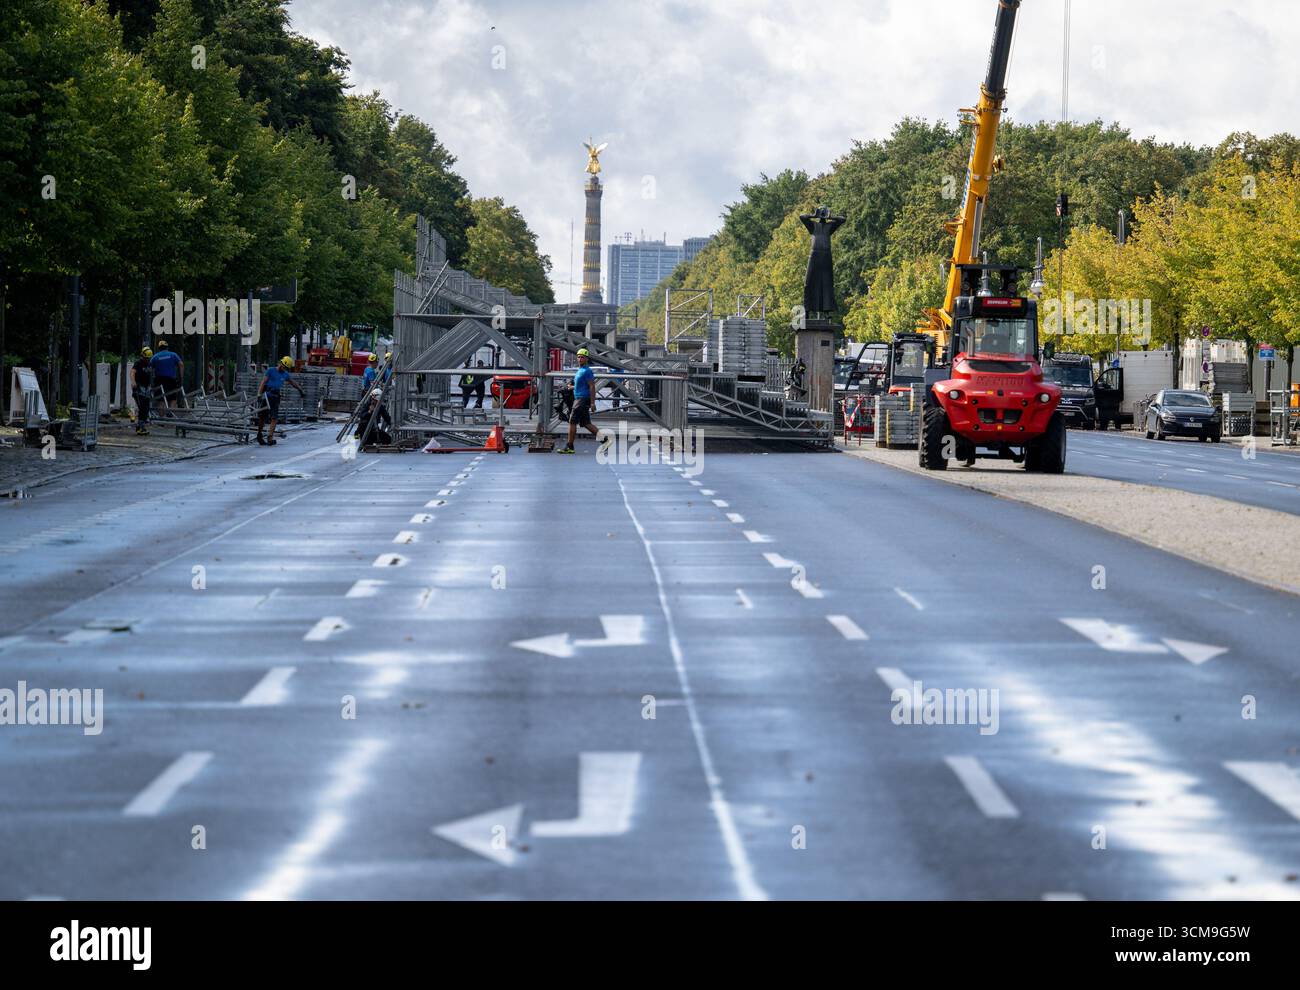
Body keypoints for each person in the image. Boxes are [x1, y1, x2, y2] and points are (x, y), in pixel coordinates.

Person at [556, 348, 599, 454]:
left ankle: (569, 446)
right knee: (586, 423)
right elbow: (580, 385)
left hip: (582, 399)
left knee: (572, 421)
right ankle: (606, 440)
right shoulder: (580, 370)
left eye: (582, 357)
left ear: (587, 359)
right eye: (579, 357)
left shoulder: (587, 371)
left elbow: (592, 386)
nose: (580, 359)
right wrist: (571, 387)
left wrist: (592, 403)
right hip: (579, 398)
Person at [257, 356, 304, 446]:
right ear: (281, 364)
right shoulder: (270, 370)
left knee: (274, 418)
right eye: (284, 367)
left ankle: (270, 438)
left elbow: (292, 382)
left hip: (275, 397)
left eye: (286, 368)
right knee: (262, 417)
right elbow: (263, 382)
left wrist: (300, 390)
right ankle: (259, 434)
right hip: (267, 396)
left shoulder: (285, 374)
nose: (284, 369)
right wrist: (259, 394)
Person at [149, 340, 184, 408]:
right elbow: (181, 365)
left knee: (161, 399)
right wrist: (181, 377)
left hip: (159, 380)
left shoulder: (155, 357)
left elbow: (150, 369)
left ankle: (162, 414)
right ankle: (171, 412)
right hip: (171, 380)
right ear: (167, 347)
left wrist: (151, 381)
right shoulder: (173, 355)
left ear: (159, 348)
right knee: (173, 398)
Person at [131, 347, 154, 435]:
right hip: (139, 388)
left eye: (149, 358)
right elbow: (132, 372)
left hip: (146, 388)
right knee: (142, 407)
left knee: (146, 407)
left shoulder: (149, 364)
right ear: (143, 356)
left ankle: (140, 426)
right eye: (146, 358)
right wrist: (133, 382)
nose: (148, 360)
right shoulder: (138, 363)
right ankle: (141, 427)